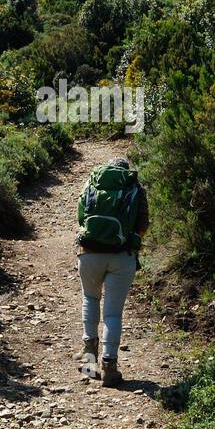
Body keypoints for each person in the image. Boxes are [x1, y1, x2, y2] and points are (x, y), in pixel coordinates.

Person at [75, 156, 148, 387]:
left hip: (89, 253)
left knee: (90, 298)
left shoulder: (92, 182)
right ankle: (109, 367)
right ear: (126, 171)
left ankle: (88, 362)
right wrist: (132, 240)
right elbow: (143, 222)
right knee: (113, 314)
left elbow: (80, 217)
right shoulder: (134, 186)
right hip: (121, 256)